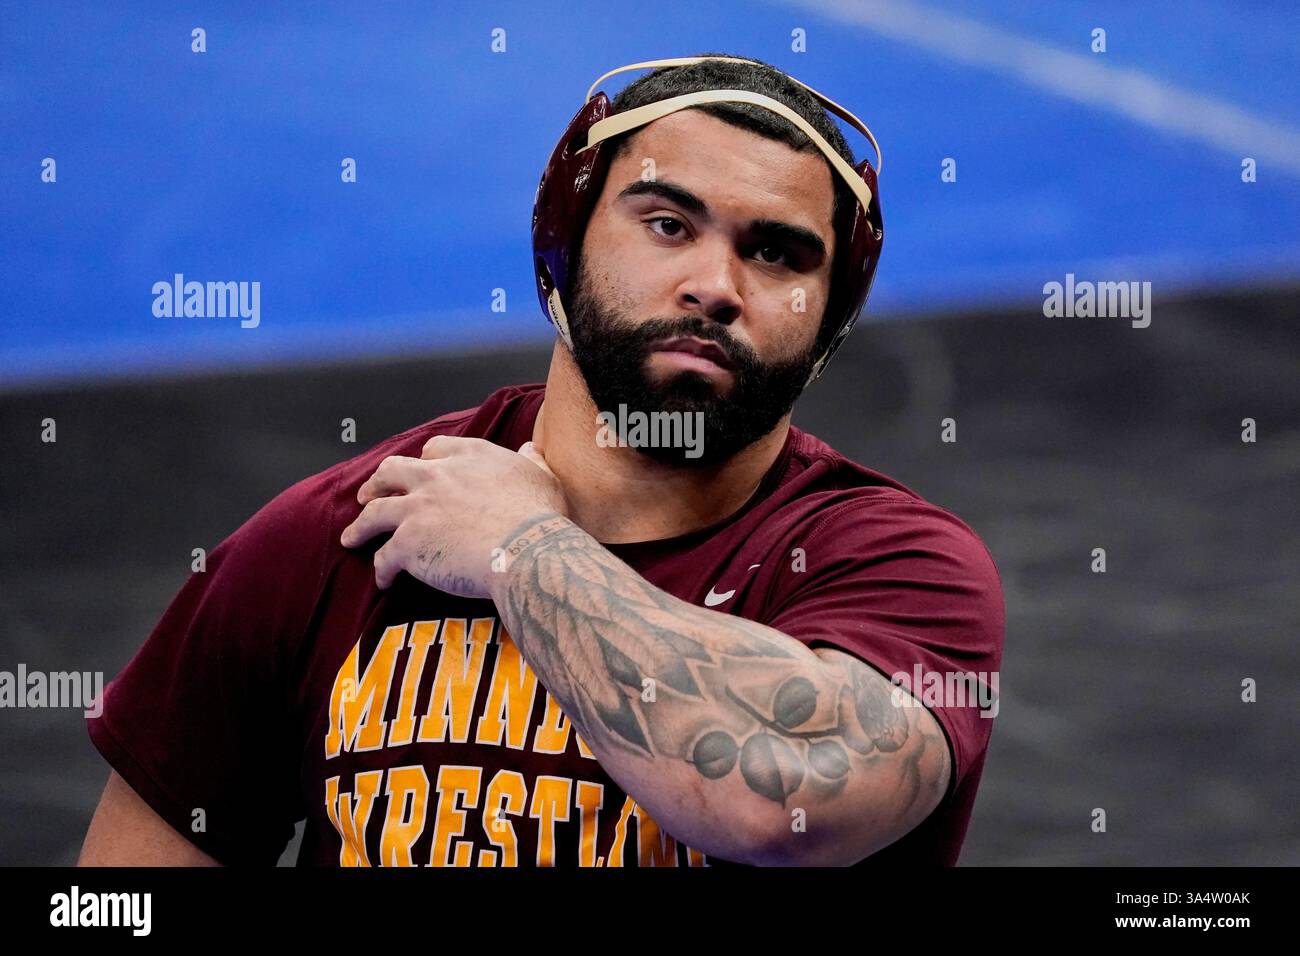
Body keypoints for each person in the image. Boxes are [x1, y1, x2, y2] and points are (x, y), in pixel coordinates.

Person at [80, 54, 1004, 867]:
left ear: (830, 311)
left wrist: (522, 548)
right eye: (668, 224)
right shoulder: (346, 531)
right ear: (562, 244)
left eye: (775, 253)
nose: (716, 287)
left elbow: (784, 805)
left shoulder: (898, 570)